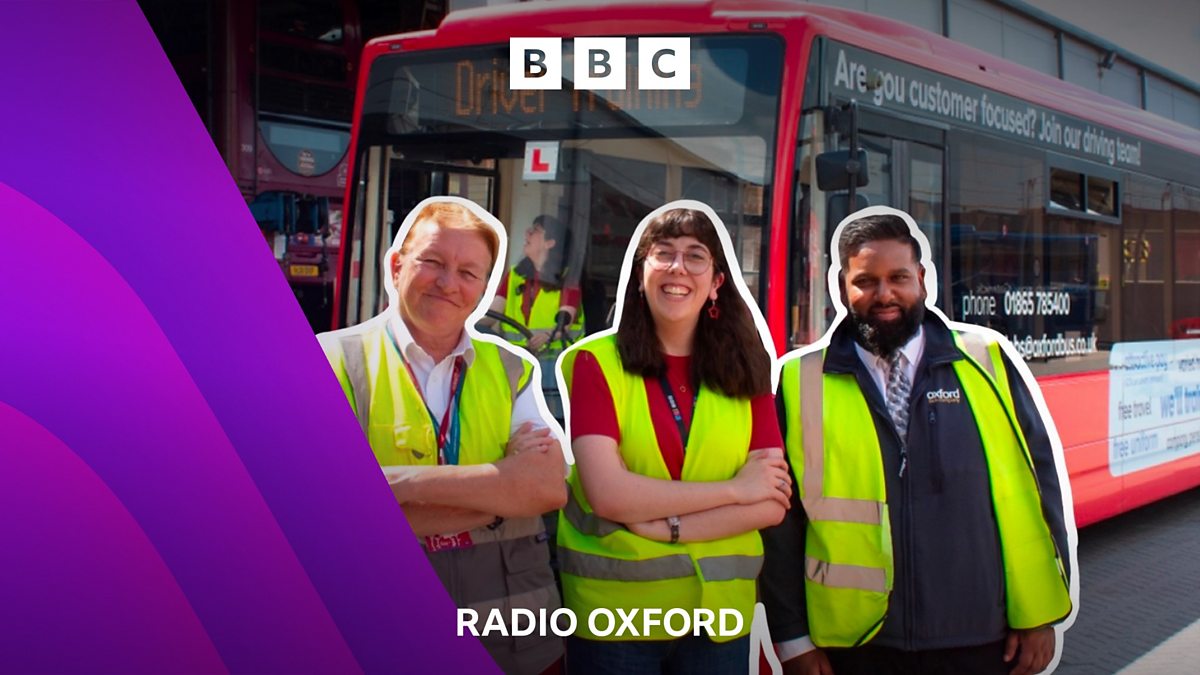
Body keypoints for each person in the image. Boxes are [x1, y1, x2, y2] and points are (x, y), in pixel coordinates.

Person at [763, 209, 1073, 675]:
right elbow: (781, 519)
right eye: (865, 281)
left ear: (922, 281)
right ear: (841, 288)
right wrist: (792, 639)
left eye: (898, 278)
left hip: (979, 636)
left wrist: (1040, 613)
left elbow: (1036, 491)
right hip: (855, 644)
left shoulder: (985, 362)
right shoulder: (799, 379)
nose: (884, 294)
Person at [318, 198, 568, 675]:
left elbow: (545, 488)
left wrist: (395, 484)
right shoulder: (328, 362)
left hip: (508, 633)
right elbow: (324, 508)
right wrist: (498, 496)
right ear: (396, 266)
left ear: (483, 289)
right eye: (432, 261)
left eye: (468, 273)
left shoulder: (512, 368)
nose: (449, 283)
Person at [556, 204, 791, 674]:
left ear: (716, 281)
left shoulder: (749, 367)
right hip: (617, 619)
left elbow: (771, 503)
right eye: (663, 253)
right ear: (640, 273)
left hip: (718, 620)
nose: (678, 267)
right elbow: (608, 494)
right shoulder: (594, 362)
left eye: (695, 255)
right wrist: (735, 490)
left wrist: (667, 527)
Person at [488, 214, 585, 353]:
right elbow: (492, 313)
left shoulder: (568, 279)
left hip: (554, 359)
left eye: (535, 230)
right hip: (515, 359)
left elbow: (565, 323)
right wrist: (469, 325)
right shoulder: (515, 274)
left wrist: (547, 336)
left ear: (549, 243)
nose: (527, 233)